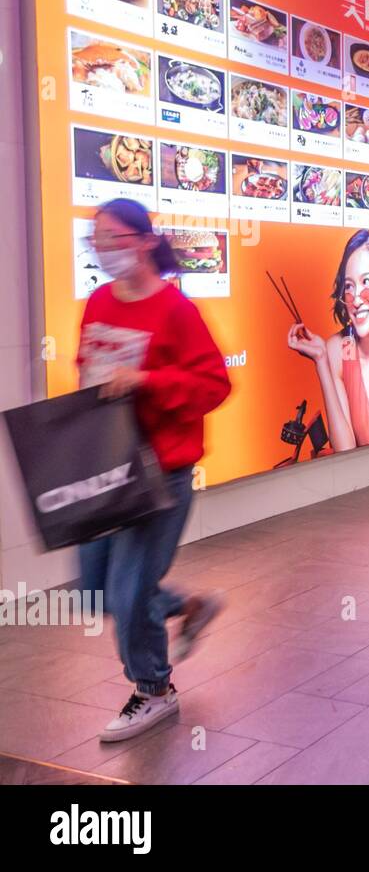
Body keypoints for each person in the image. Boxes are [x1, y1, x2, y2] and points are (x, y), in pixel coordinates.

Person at [76, 198, 231, 742]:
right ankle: (191, 605)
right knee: (93, 593)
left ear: (145, 241)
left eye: (115, 238)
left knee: (127, 593)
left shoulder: (175, 311)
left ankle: (154, 689)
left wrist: (146, 383)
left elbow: (214, 385)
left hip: (159, 475)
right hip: (105, 470)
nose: (104, 249)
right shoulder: (97, 301)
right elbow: (89, 370)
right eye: (96, 239)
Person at [288, 230, 369, 450]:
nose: (357, 299)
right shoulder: (337, 349)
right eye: (349, 286)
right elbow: (344, 450)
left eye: (367, 281)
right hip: (355, 477)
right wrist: (321, 360)